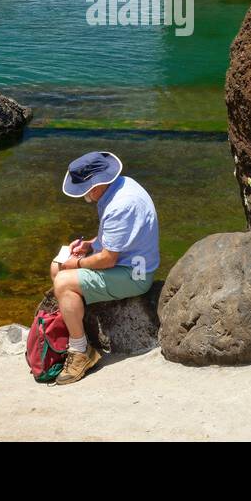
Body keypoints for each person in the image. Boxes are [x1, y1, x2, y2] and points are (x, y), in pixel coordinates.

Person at [49, 151, 160, 385]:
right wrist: (90, 245)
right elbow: (114, 239)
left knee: (63, 280)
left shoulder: (120, 205)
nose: (83, 196)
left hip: (135, 274)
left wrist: (76, 263)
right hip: (127, 261)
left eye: (83, 190)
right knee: (56, 267)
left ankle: (81, 351)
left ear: (95, 186)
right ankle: (72, 329)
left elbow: (109, 259)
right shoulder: (121, 186)